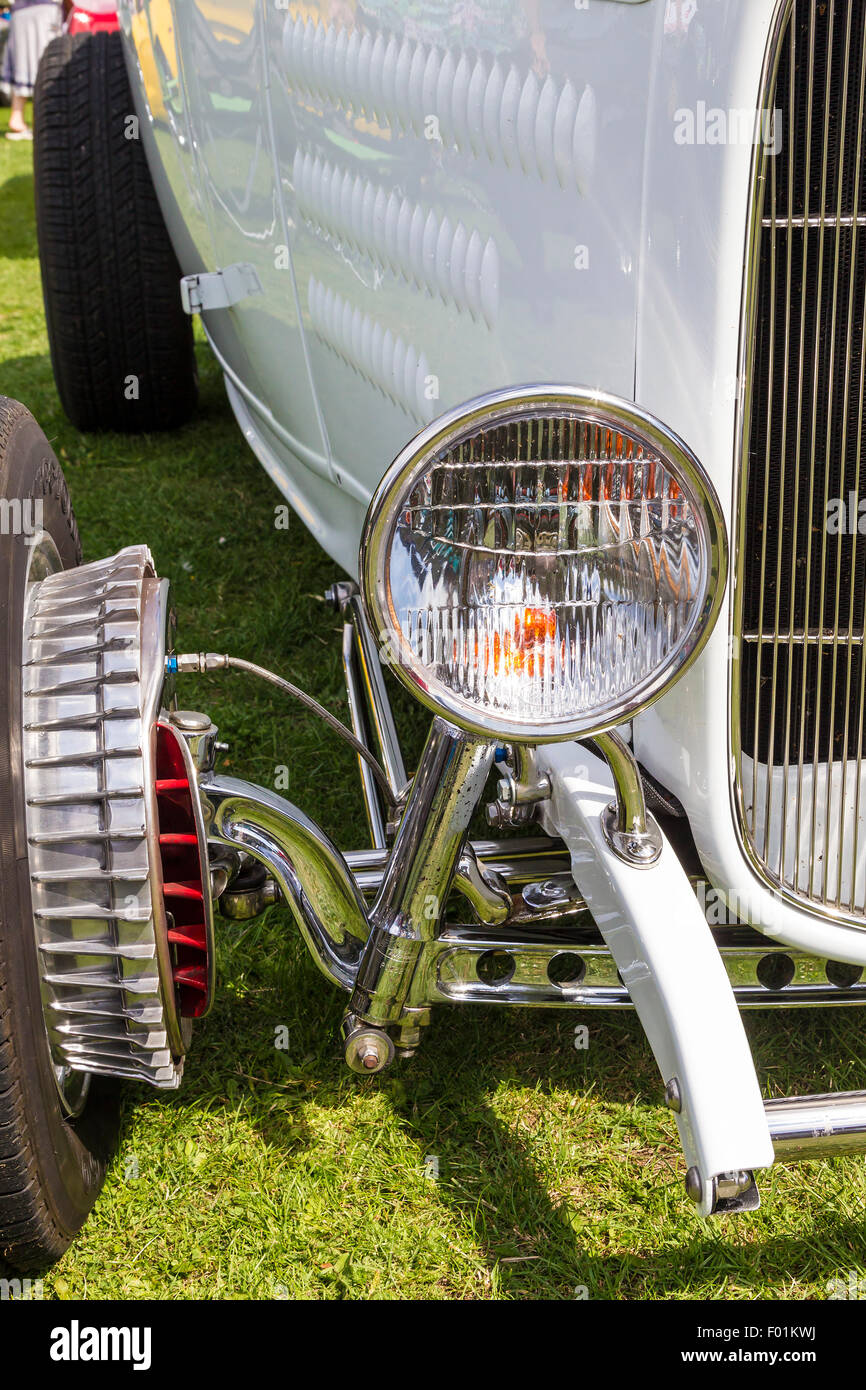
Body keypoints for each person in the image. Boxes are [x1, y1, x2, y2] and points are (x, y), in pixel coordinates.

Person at [1, 0, 62, 140]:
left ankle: (17, 117)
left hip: (20, 12)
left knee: (22, 60)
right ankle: (45, 120)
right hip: (44, 9)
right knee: (47, 62)